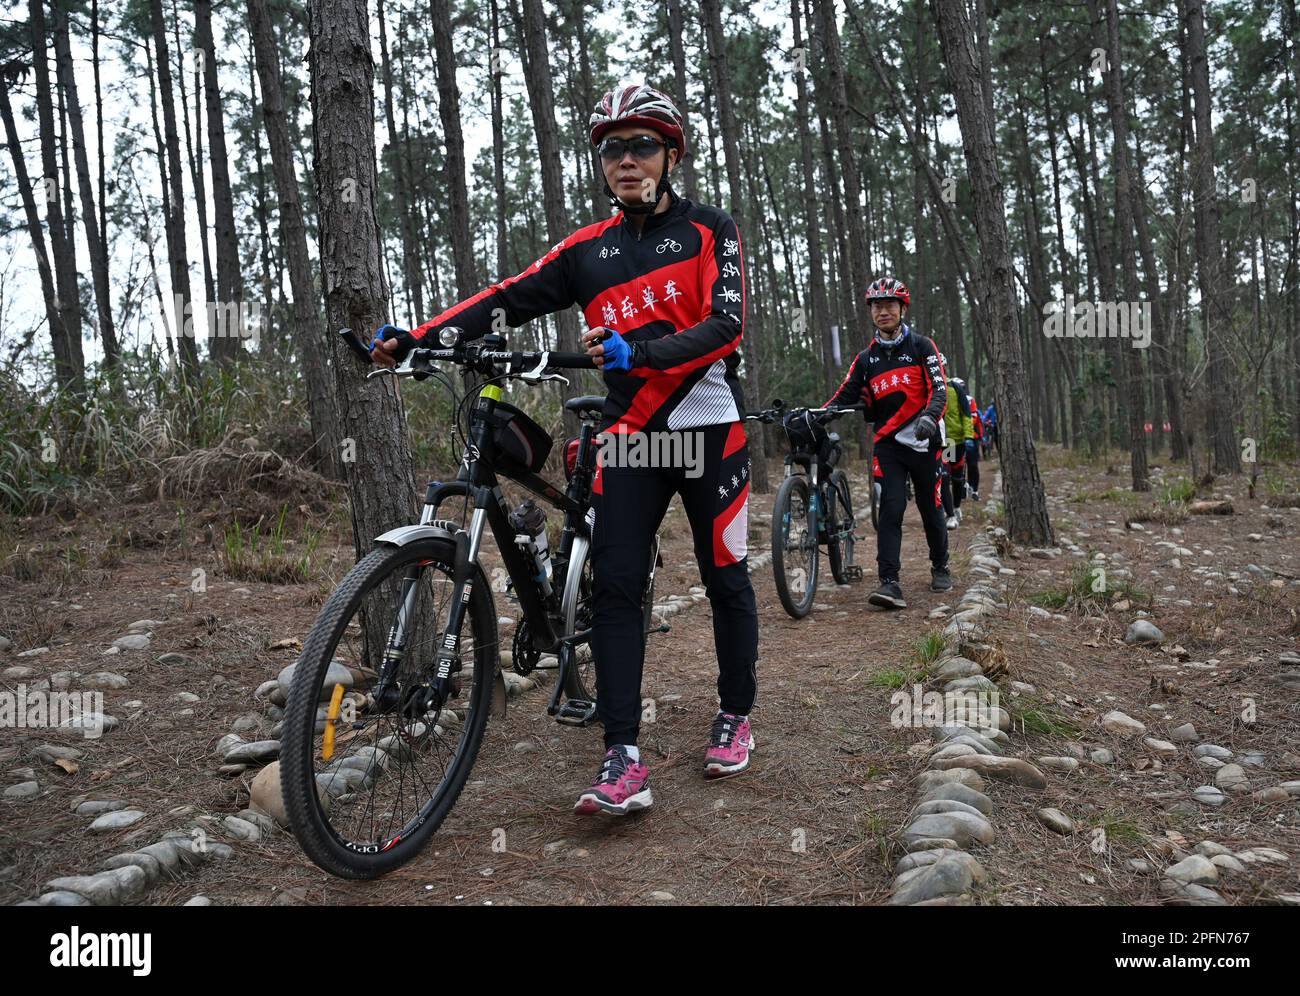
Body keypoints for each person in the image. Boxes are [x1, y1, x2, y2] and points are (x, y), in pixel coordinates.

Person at [369, 83, 759, 817]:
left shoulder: (711, 229)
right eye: (613, 148)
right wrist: (417, 338)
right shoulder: (587, 250)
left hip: (710, 429)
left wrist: (638, 353)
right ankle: (623, 755)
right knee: (614, 587)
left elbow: (727, 326)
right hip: (632, 438)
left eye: (642, 145)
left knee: (725, 578)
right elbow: (508, 296)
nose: (627, 159)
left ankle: (735, 713)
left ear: (670, 154)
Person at [824, 277, 950, 609]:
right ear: (871, 312)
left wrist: (929, 417)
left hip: (924, 443)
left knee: (930, 507)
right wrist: (816, 416)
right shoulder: (866, 358)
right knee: (890, 509)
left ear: (902, 309)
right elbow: (844, 394)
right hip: (888, 446)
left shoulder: (923, 346)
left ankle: (940, 565)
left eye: (889, 305)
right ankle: (889, 582)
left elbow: (940, 389)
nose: (883, 311)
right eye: (877, 306)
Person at [940, 358, 973, 530]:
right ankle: (950, 515)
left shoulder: (954, 387)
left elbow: (966, 413)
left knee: (957, 477)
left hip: (955, 439)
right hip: (941, 441)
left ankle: (957, 506)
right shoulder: (928, 387)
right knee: (944, 476)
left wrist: (968, 435)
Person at [966, 389, 983, 501]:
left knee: (972, 464)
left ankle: (974, 490)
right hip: (950, 440)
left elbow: (975, 418)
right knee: (949, 468)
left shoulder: (970, 400)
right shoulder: (943, 396)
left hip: (970, 438)